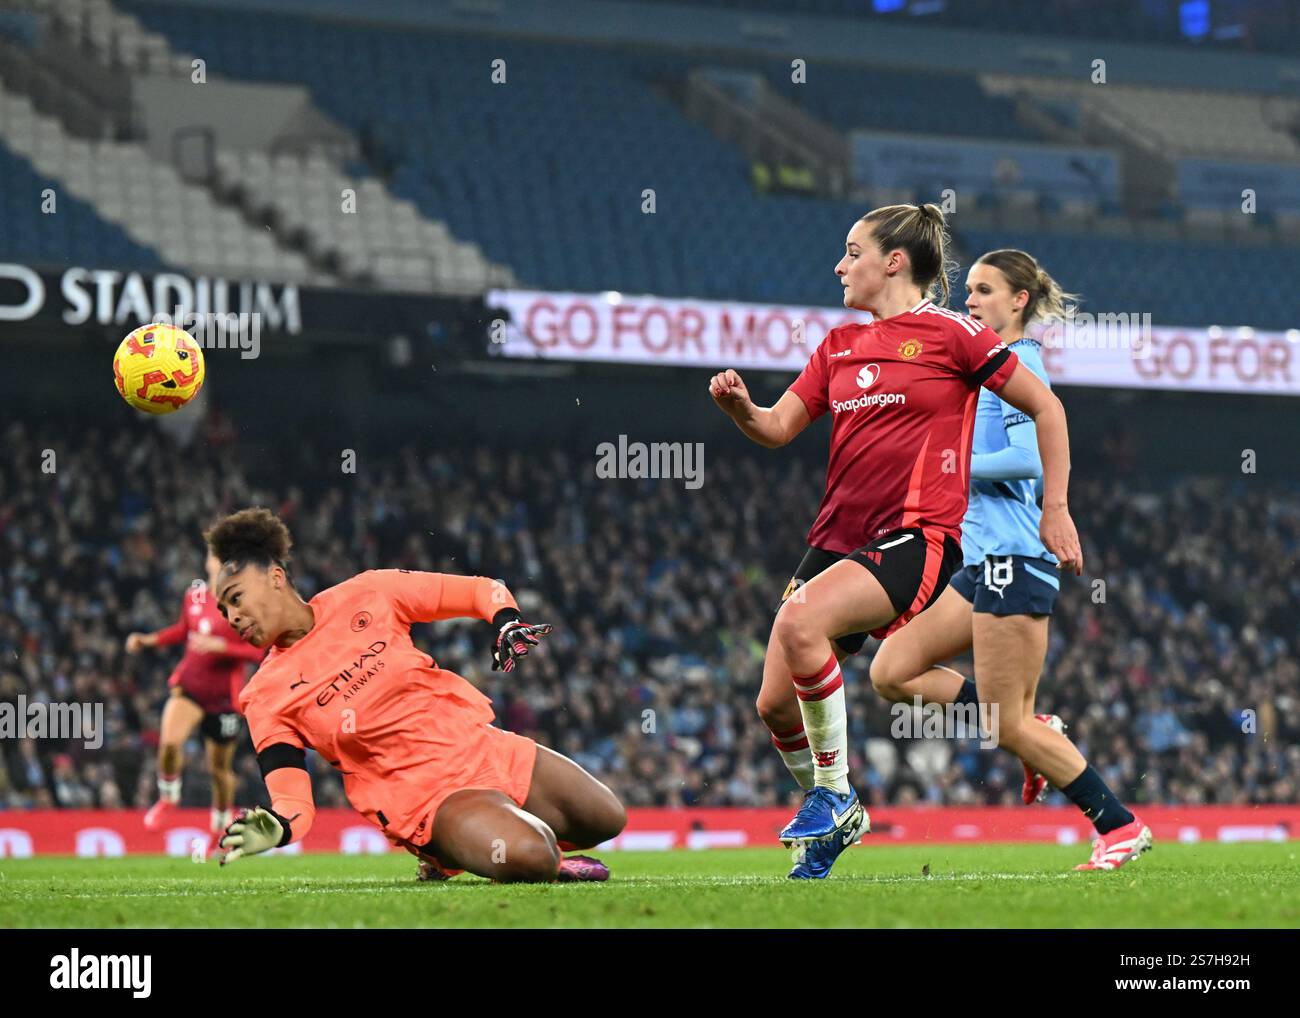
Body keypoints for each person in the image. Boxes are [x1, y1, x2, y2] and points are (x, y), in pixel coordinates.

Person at [709, 203, 1083, 879]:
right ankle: (838, 810)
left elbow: (1046, 408)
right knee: (772, 702)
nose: (839, 265)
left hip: (916, 536)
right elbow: (777, 427)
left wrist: (1054, 508)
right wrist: (742, 411)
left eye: (852, 252)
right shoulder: (837, 348)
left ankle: (834, 795)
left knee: (800, 624)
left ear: (894, 261)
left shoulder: (955, 336)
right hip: (835, 541)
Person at [870, 249, 1151, 871]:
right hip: (981, 565)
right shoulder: (985, 370)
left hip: (1015, 560)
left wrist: (944, 467)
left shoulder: (1020, 364)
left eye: (984, 290)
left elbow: (1026, 458)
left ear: (1019, 300)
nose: (969, 299)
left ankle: (1120, 825)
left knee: (1005, 726)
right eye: (967, 289)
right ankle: (1036, 723)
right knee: (892, 671)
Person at [207, 506, 625, 883]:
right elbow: (293, 800)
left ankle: (496, 835)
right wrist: (279, 827)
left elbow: (483, 590)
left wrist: (506, 621)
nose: (232, 617)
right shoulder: (263, 695)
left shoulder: (369, 592)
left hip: (481, 747)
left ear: (276, 578)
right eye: (224, 611)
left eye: (236, 598)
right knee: (533, 856)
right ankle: (458, 849)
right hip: (428, 799)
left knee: (607, 818)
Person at [126, 551, 264, 849]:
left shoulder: (245, 603)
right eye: (218, 557)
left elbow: (258, 650)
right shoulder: (195, 595)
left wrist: (222, 646)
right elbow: (182, 630)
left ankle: (219, 825)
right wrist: (148, 640)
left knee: (219, 770)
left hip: (224, 698)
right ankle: (168, 796)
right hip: (190, 686)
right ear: (209, 562)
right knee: (170, 743)